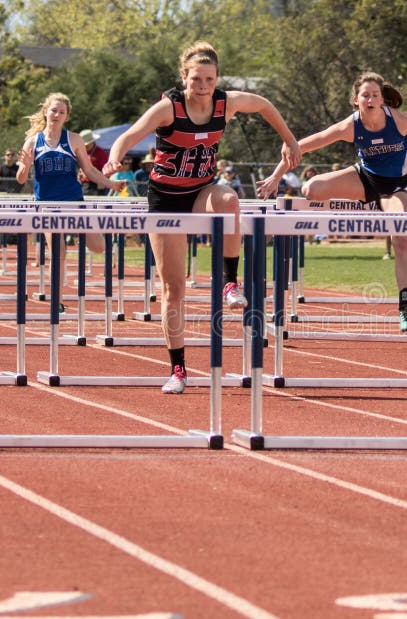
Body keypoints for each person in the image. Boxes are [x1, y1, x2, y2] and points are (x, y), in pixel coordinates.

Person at [103, 41, 300, 395]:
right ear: (184, 78)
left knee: (229, 200)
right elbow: (130, 135)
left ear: (217, 79)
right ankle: (178, 368)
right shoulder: (169, 108)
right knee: (173, 289)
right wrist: (114, 159)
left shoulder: (227, 103)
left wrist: (288, 140)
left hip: (201, 191)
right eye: (196, 79)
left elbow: (265, 105)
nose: (203, 85)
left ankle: (229, 282)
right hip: (165, 200)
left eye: (209, 79)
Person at [257, 71, 407, 333]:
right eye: (365, 95)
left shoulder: (399, 120)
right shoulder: (351, 126)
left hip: (397, 186)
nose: (370, 100)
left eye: (375, 95)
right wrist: (275, 175)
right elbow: (302, 145)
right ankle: (367, 201)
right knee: (310, 188)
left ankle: (406, 307)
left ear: (382, 99)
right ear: (356, 99)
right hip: (366, 179)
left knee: (401, 236)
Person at [16, 92, 124, 312]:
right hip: (47, 206)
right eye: (53, 110)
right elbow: (20, 178)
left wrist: (110, 184)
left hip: (74, 202)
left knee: (99, 247)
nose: (56, 115)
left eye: (61, 112)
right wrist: (26, 165)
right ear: (46, 112)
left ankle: (80, 235)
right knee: (58, 253)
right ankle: (57, 300)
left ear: (66, 117)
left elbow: (89, 169)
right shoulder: (32, 142)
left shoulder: (73, 139)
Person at [78, 129, 110, 195]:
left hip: (97, 185)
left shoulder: (100, 153)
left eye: (86, 145)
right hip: (84, 184)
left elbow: (106, 170)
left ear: (92, 142)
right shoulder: (81, 151)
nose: (85, 146)